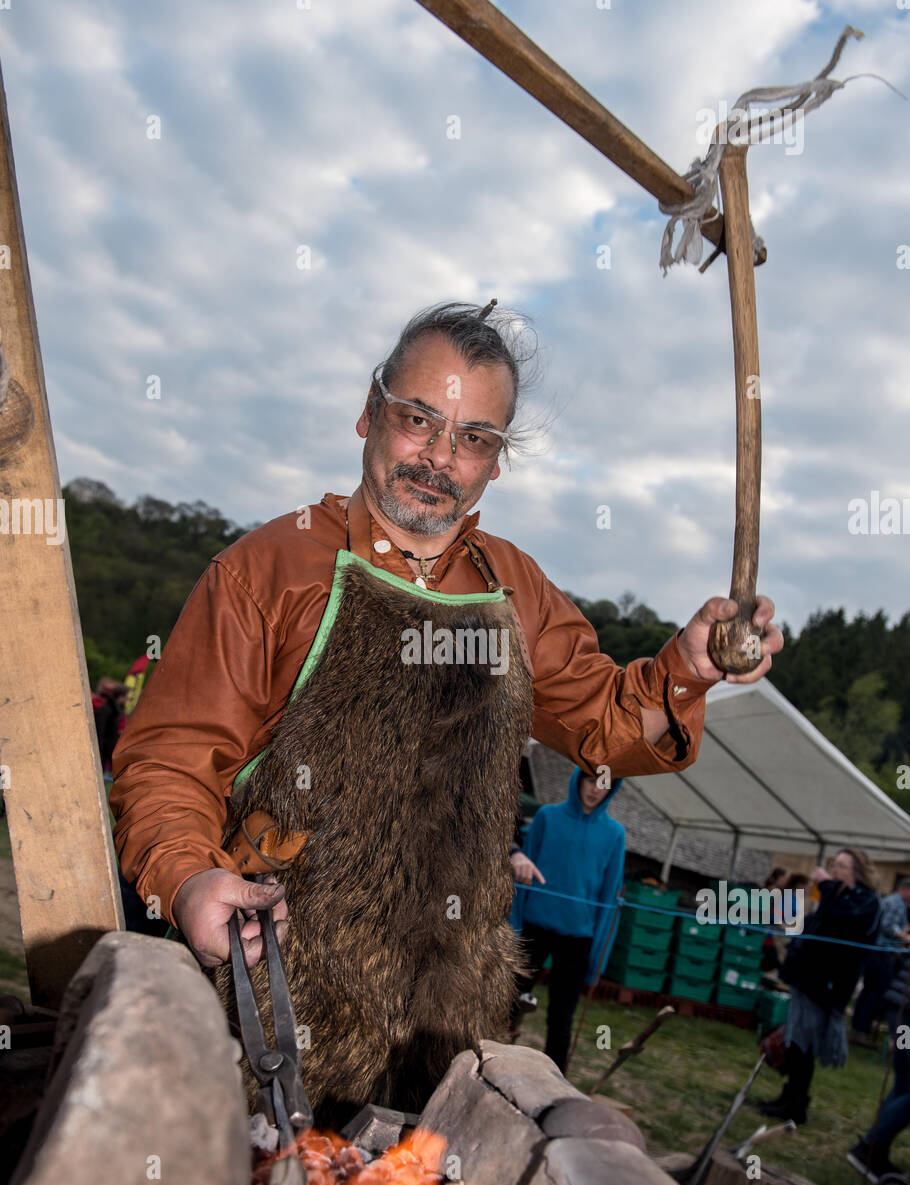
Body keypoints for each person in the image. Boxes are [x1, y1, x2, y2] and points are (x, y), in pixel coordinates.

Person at [110, 299, 782, 1123]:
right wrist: (185, 875)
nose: (438, 456)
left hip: (449, 1026)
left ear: (496, 463)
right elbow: (170, 762)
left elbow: (612, 726)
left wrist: (686, 667)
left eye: (473, 438)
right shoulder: (270, 569)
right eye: (418, 418)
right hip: (273, 1001)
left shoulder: (516, 591)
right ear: (369, 409)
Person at [509, 771, 625, 1073]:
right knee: (508, 1002)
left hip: (577, 938)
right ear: (578, 779)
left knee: (562, 1017)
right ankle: (488, 1062)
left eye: (605, 785)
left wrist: (597, 958)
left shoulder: (615, 835)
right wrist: (514, 927)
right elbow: (521, 880)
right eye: (591, 780)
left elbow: (609, 898)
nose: (595, 790)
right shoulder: (547, 817)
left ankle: (555, 1081)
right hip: (534, 927)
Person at [759, 848, 881, 1126]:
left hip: (827, 983)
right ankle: (789, 1097)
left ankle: (796, 1105)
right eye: (834, 865)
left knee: (805, 1044)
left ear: (856, 872)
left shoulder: (865, 900)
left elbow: (843, 921)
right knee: (797, 1040)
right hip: (808, 976)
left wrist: (825, 884)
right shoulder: (838, 894)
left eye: (841, 866)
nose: (835, 870)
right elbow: (818, 925)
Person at [848, 943, 910, 1180]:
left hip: (901, 1011)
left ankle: (876, 1149)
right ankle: (870, 1147)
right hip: (907, 1015)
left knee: (904, 1083)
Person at [850, 877, 910, 1047]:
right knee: (875, 991)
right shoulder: (897, 903)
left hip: (878, 951)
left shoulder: (894, 902)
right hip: (881, 952)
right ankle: (860, 1030)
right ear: (905, 890)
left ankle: (859, 1029)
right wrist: (904, 936)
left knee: (870, 990)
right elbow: (888, 926)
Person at [91, 677, 128, 774]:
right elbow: (99, 733)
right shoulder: (107, 710)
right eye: (126, 697)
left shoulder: (114, 711)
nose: (127, 699)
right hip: (101, 752)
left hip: (106, 751)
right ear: (120, 697)